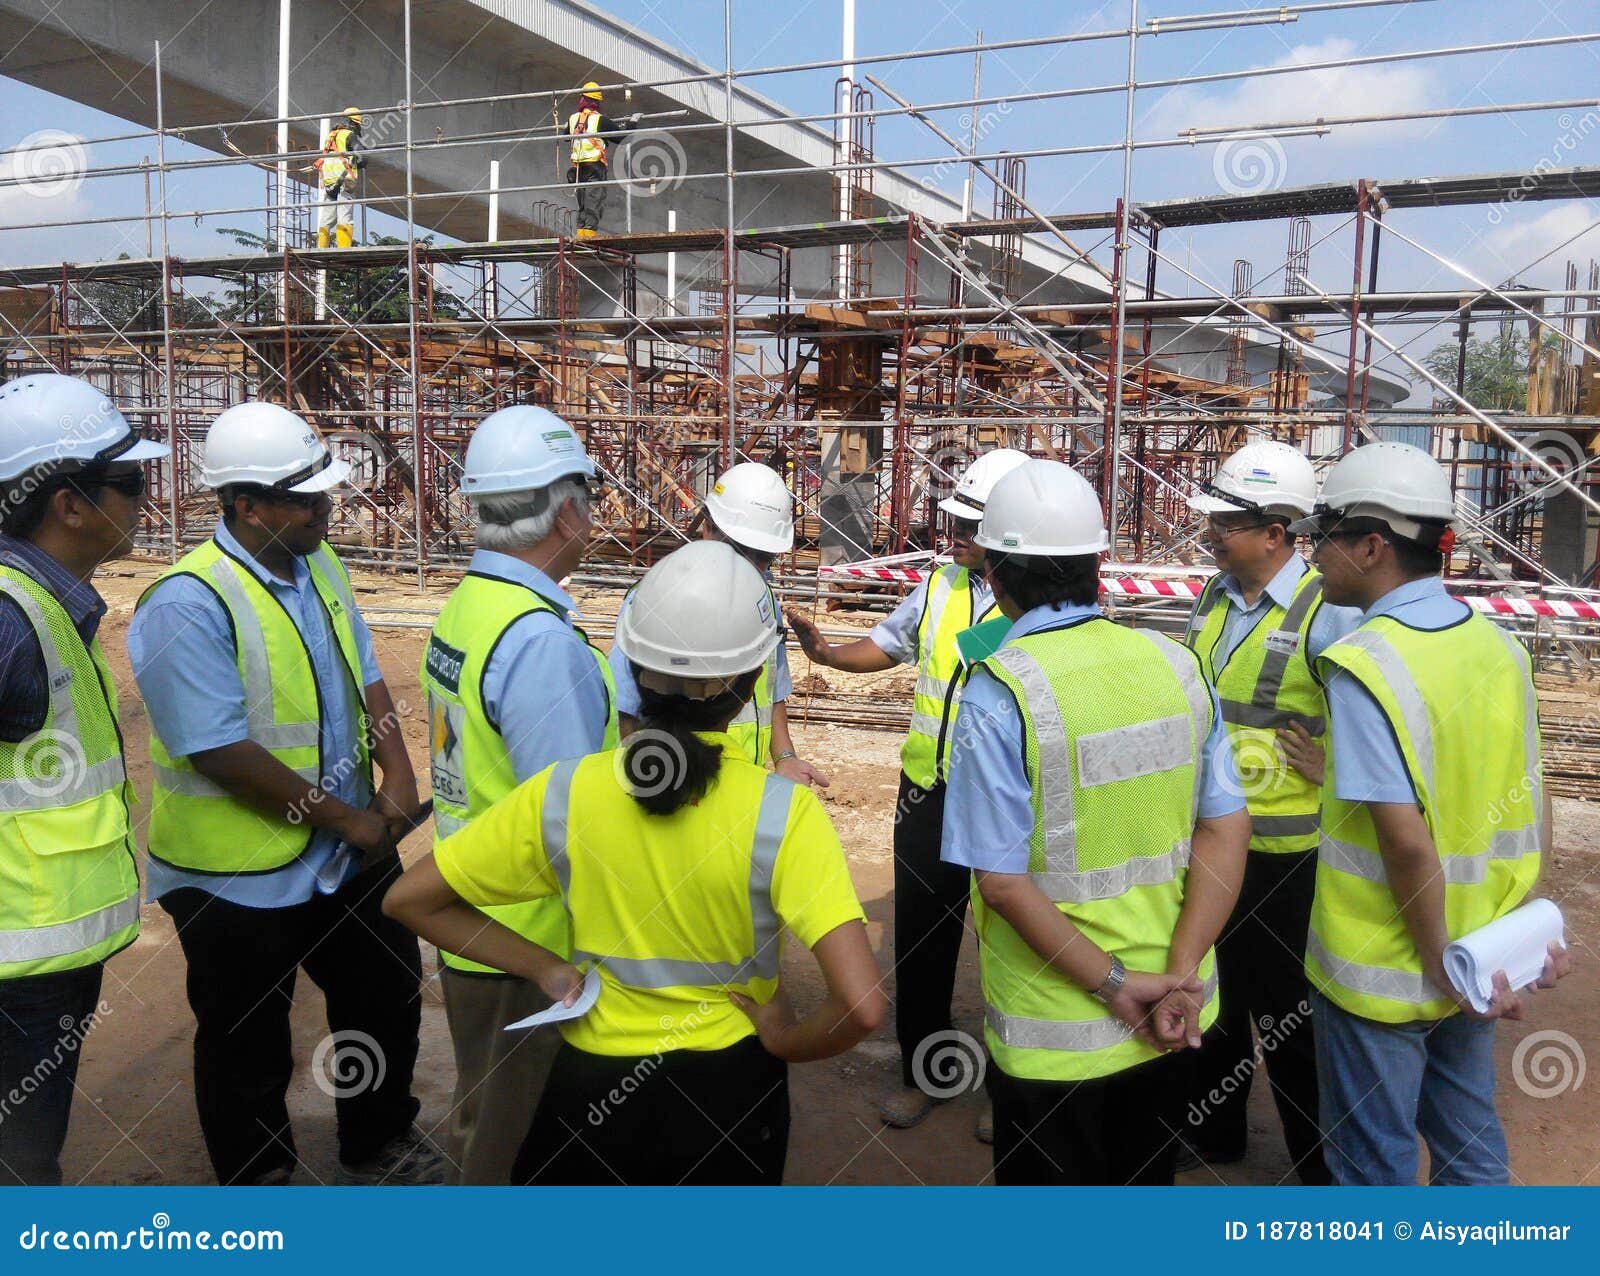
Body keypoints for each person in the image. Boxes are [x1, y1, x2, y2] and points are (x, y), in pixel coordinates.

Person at [384, 540, 885, 1185]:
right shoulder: (782, 814)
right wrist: (784, 1039)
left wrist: (549, 969)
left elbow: (408, 900)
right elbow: (863, 1007)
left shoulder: (564, 793)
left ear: (633, 666)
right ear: (754, 679)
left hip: (592, 1085)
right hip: (729, 1084)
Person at [127, 402, 438, 1187]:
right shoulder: (188, 600)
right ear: (244, 504)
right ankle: (263, 1184)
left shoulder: (318, 560)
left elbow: (365, 674)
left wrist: (397, 775)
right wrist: (350, 820)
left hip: (348, 848)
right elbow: (219, 749)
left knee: (385, 994)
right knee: (246, 1040)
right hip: (236, 873)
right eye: (305, 498)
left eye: (325, 494)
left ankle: (378, 1135)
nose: (324, 509)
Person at [940, 458, 1251, 1186]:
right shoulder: (1175, 666)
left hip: (1057, 1030)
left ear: (998, 573)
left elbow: (1005, 886)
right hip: (1178, 1010)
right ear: (1094, 568)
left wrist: (1118, 987)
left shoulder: (1000, 693)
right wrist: (1177, 974)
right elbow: (1225, 830)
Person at [1290, 441, 1569, 1186]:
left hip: (1390, 968)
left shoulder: (1364, 665)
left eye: (1325, 536)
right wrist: (1493, 947)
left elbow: (1407, 843)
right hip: (1481, 952)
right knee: (1471, 1150)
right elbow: (1532, 798)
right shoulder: (1500, 649)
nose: (1313, 555)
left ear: (1374, 545)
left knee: (1372, 1167)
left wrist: (1440, 961)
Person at [787, 446, 1027, 1136]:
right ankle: (930, 1073)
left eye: (972, 524)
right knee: (922, 944)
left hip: (1010, 800)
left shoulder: (1044, 603)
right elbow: (889, 645)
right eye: (955, 520)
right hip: (928, 792)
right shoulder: (942, 586)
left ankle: (1012, 1089)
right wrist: (829, 654)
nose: (954, 533)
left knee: (1015, 941)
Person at [419, 405, 617, 1185]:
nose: (594, 516)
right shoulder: (537, 640)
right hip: (531, 949)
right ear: (565, 509)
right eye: (589, 499)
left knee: (484, 1122)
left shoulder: (475, 605)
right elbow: (572, 823)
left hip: (475, 916)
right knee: (513, 1146)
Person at [0, 374, 168, 1185]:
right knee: (20, 1164)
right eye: (130, 482)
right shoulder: (9, 619)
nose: (143, 499)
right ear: (66, 502)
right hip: (15, 970)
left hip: (42, 956)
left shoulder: (47, 603)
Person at [1179, 440, 1361, 1184]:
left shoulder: (1329, 613)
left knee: (1291, 1019)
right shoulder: (1212, 599)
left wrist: (1340, 766)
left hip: (1290, 863)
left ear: (1276, 534)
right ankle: (1216, 1133)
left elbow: (1376, 721)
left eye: (1225, 520)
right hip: (1211, 845)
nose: (1210, 531)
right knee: (1215, 1000)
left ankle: (1318, 1168)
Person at [611, 461, 826, 788]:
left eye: (763, 556)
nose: (752, 567)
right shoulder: (660, 598)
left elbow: (773, 692)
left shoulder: (763, 601)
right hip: (673, 782)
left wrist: (785, 758)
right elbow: (626, 708)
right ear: (707, 528)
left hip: (739, 782)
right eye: (741, 551)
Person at [566, 81, 638, 239]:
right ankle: (589, 238)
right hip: (594, 168)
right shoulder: (600, 120)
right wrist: (632, 124)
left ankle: (581, 236)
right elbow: (623, 139)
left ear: (582, 99)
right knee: (594, 204)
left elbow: (566, 136)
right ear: (597, 102)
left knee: (583, 205)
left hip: (577, 169)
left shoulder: (573, 119)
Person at [316, 107, 366, 249]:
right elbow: (362, 157)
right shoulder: (349, 135)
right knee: (345, 214)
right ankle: (344, 248)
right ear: (354, 123)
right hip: (345, 178)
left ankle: (322, 247)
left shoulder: (330, 135)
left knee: (327, 217)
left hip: (329, 180)